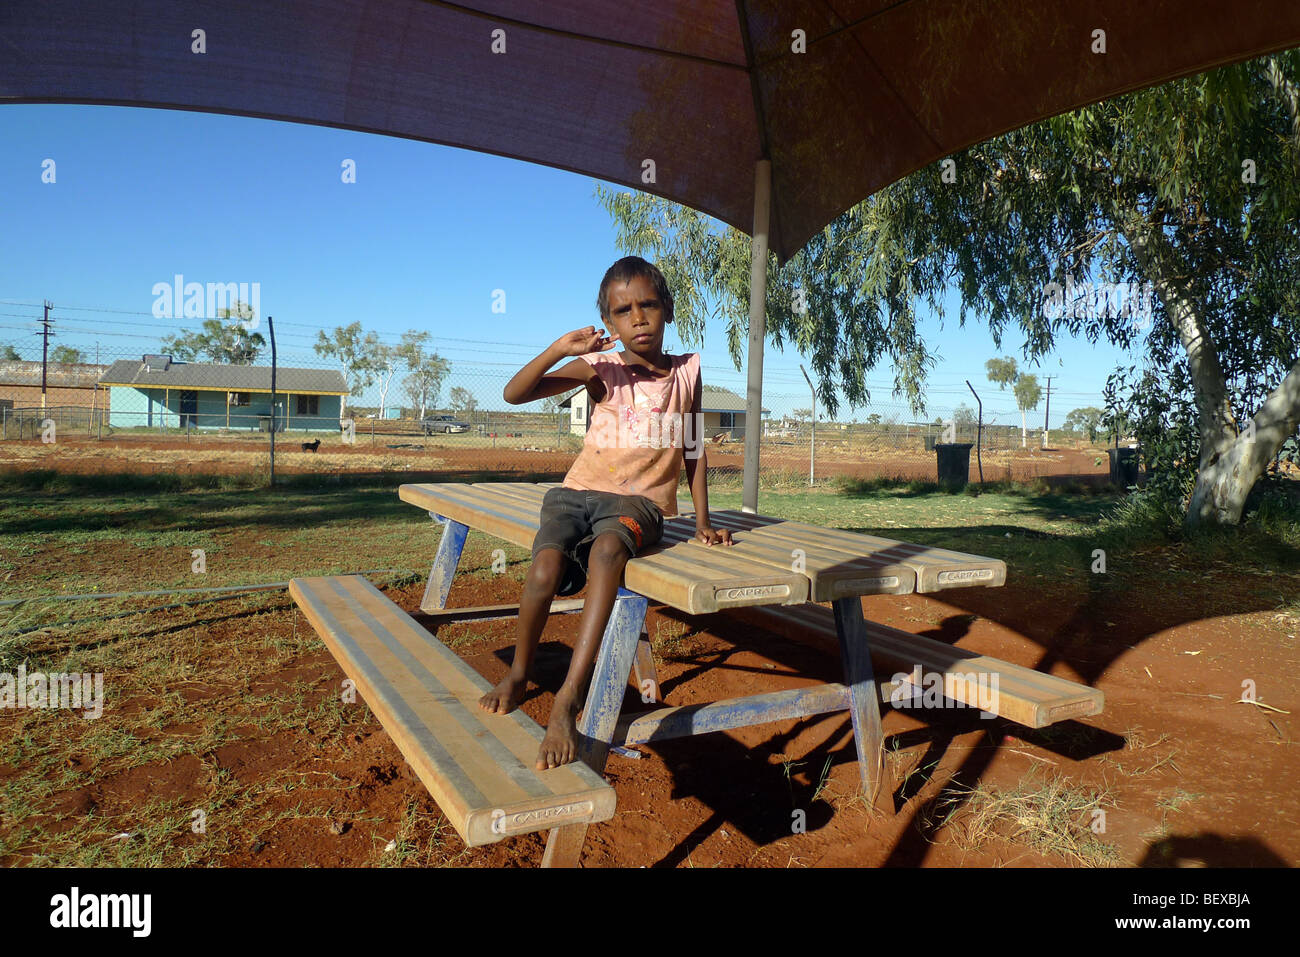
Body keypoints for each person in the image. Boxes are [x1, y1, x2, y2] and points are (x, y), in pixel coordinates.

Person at [480, 255, 734, 769]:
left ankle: (571, 695)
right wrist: (560, 349)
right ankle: (518, 672)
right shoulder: (601, 370)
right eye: (623, 311)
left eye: (647, 305)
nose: (637, 318)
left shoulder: (687, 372)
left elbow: (693, 447)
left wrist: (703, 520)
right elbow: (514, 394)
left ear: (666, 309)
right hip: (577, 494)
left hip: (639, 506)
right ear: (610, 322)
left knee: (607, 552)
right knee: (545, 569)